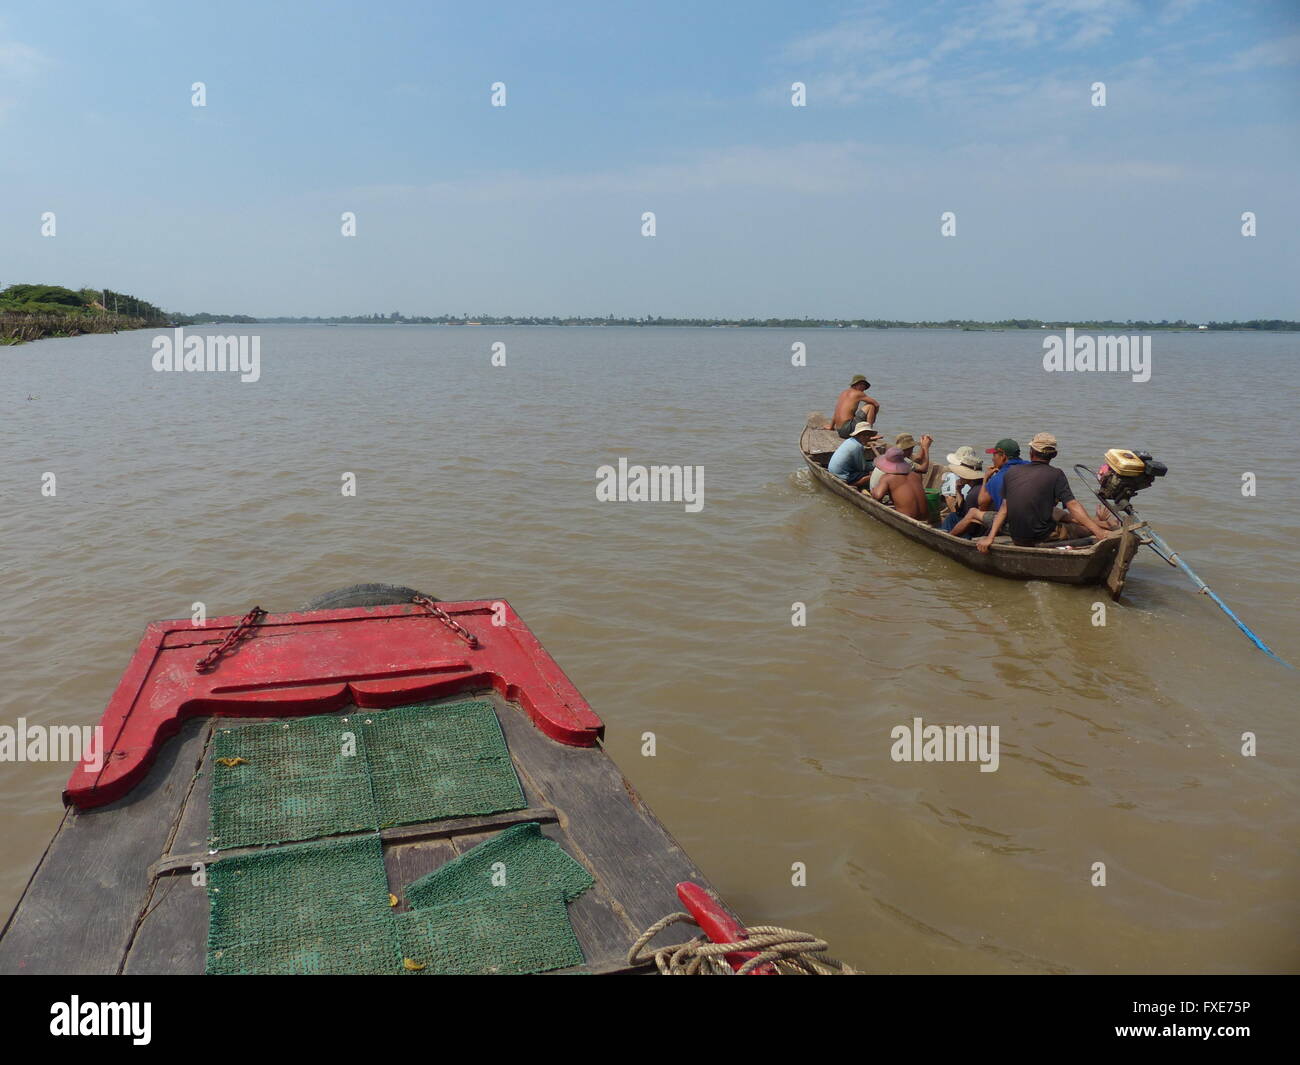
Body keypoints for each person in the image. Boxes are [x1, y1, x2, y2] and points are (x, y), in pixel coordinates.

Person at [977, 432, 1114, 551]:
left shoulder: (1012, 473)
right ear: (1054, 455)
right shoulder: (1056, 474)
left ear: (1031, 453)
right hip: (1042, 536)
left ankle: (1100, 524)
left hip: (1017, 537)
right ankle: (1101, 526)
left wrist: (990, 538)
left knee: (1059, 518)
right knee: (1080, 529)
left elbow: (1004, 508)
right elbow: (1073, 505)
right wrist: (1098, 532)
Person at [949, 437, 1027, 538]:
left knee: (972, 513)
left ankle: (949, 538)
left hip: (1012, 525)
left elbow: (982, 507)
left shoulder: (997, 479)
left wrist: (986, 478)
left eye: (994, 455)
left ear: (1003, 456)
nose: (992, 459)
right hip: (1034, 520)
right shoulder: (1030, 467)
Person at [870, 446, 929, 521]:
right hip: (925, 518)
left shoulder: (887, 478)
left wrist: (874, 491)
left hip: (907, 520)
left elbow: (878, 496)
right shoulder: (916, 475)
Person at [940, 446, 983, 533]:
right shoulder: (978, 486)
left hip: (974, 530)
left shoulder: (973, 494)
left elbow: (967, 520)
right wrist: (958, 491)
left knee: (951, 517)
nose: (959, 475)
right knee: (953, 516)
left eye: (961, 473)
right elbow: (960, 511)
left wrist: (952, 535)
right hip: (975, 524)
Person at [826, 422, 881, 488]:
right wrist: (875, 464)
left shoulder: (849, 440)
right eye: (864, 435)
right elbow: (861, 468)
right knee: (872, 475)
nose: (867, 437)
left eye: (869, 435)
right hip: (842, 475)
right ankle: (853, 485)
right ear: (858, 435)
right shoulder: (857, 446)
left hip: (832, 470)